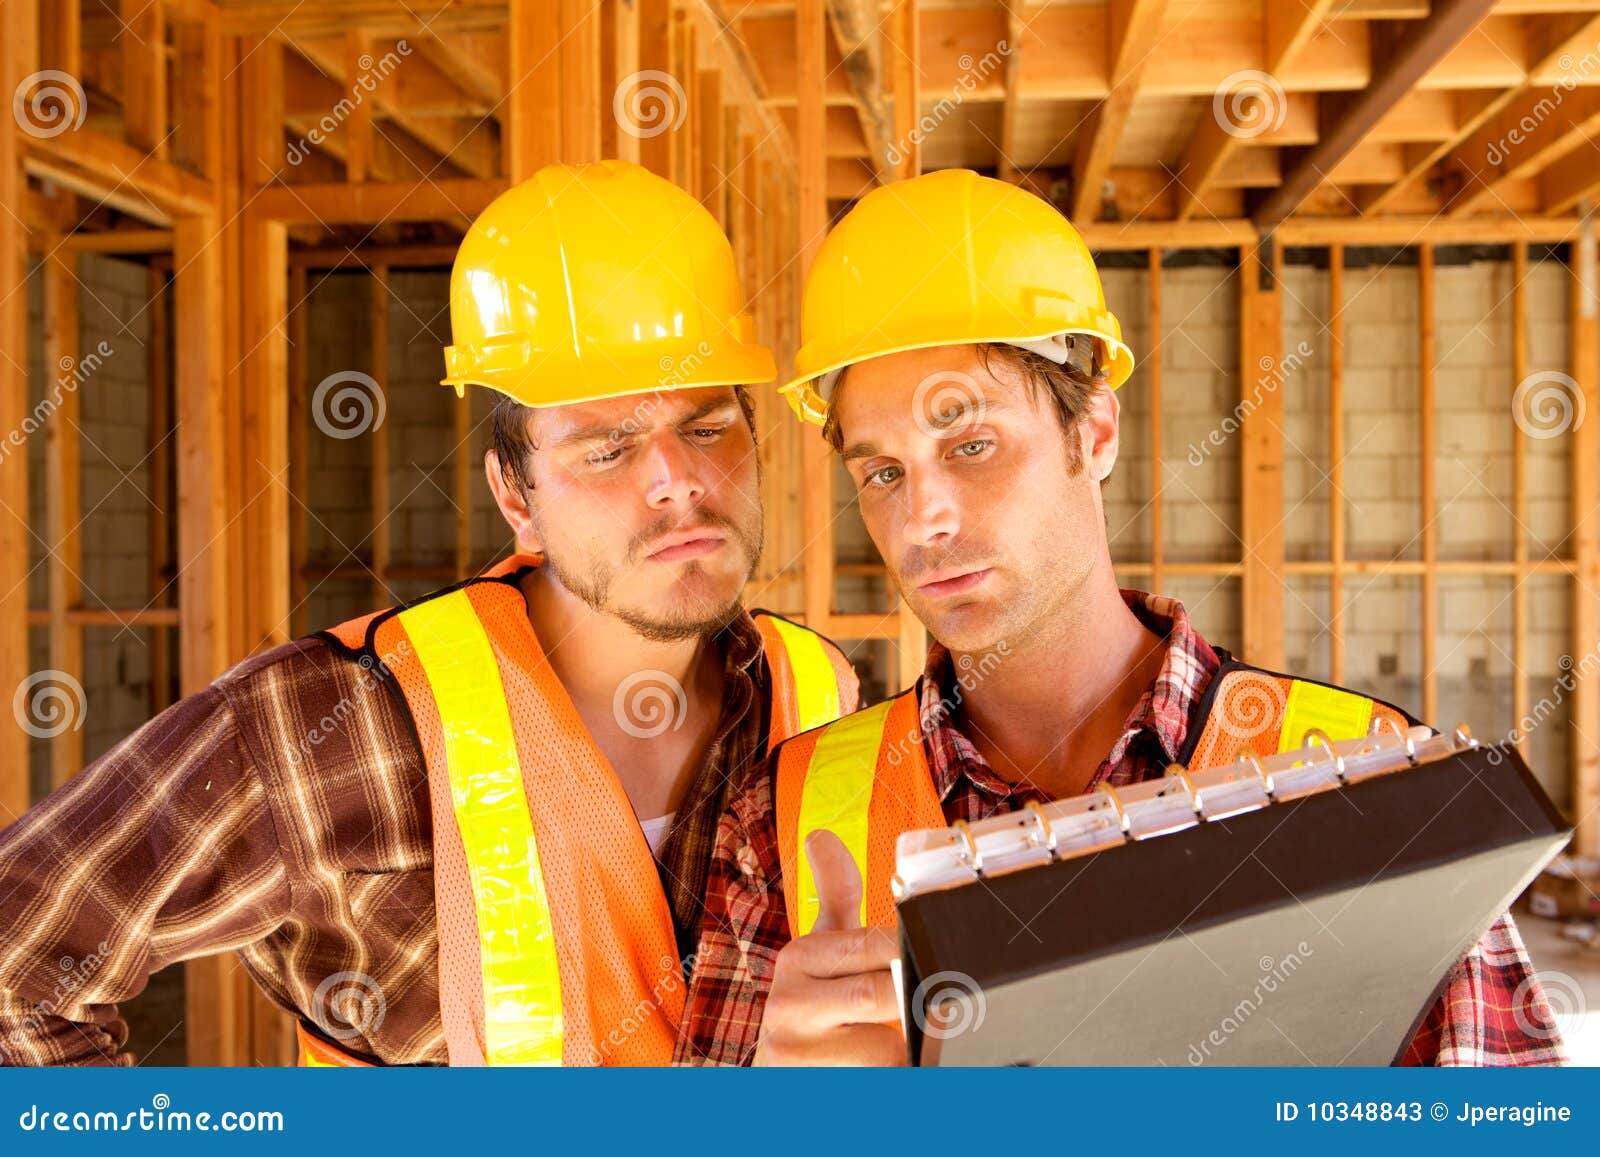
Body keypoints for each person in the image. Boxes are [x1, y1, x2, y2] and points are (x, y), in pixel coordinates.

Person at [678, 168, 1566, 1067]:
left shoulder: (1366, 784)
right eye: (883, 472)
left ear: (1094, 433)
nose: (924, 517)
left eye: (971, 445)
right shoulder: (786, 819)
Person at [0, 160, 858, 1068]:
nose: (675, 479)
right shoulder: (325, 729)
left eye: (708, 425)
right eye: (607, 448)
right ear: (515, 496)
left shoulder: (817, 692)